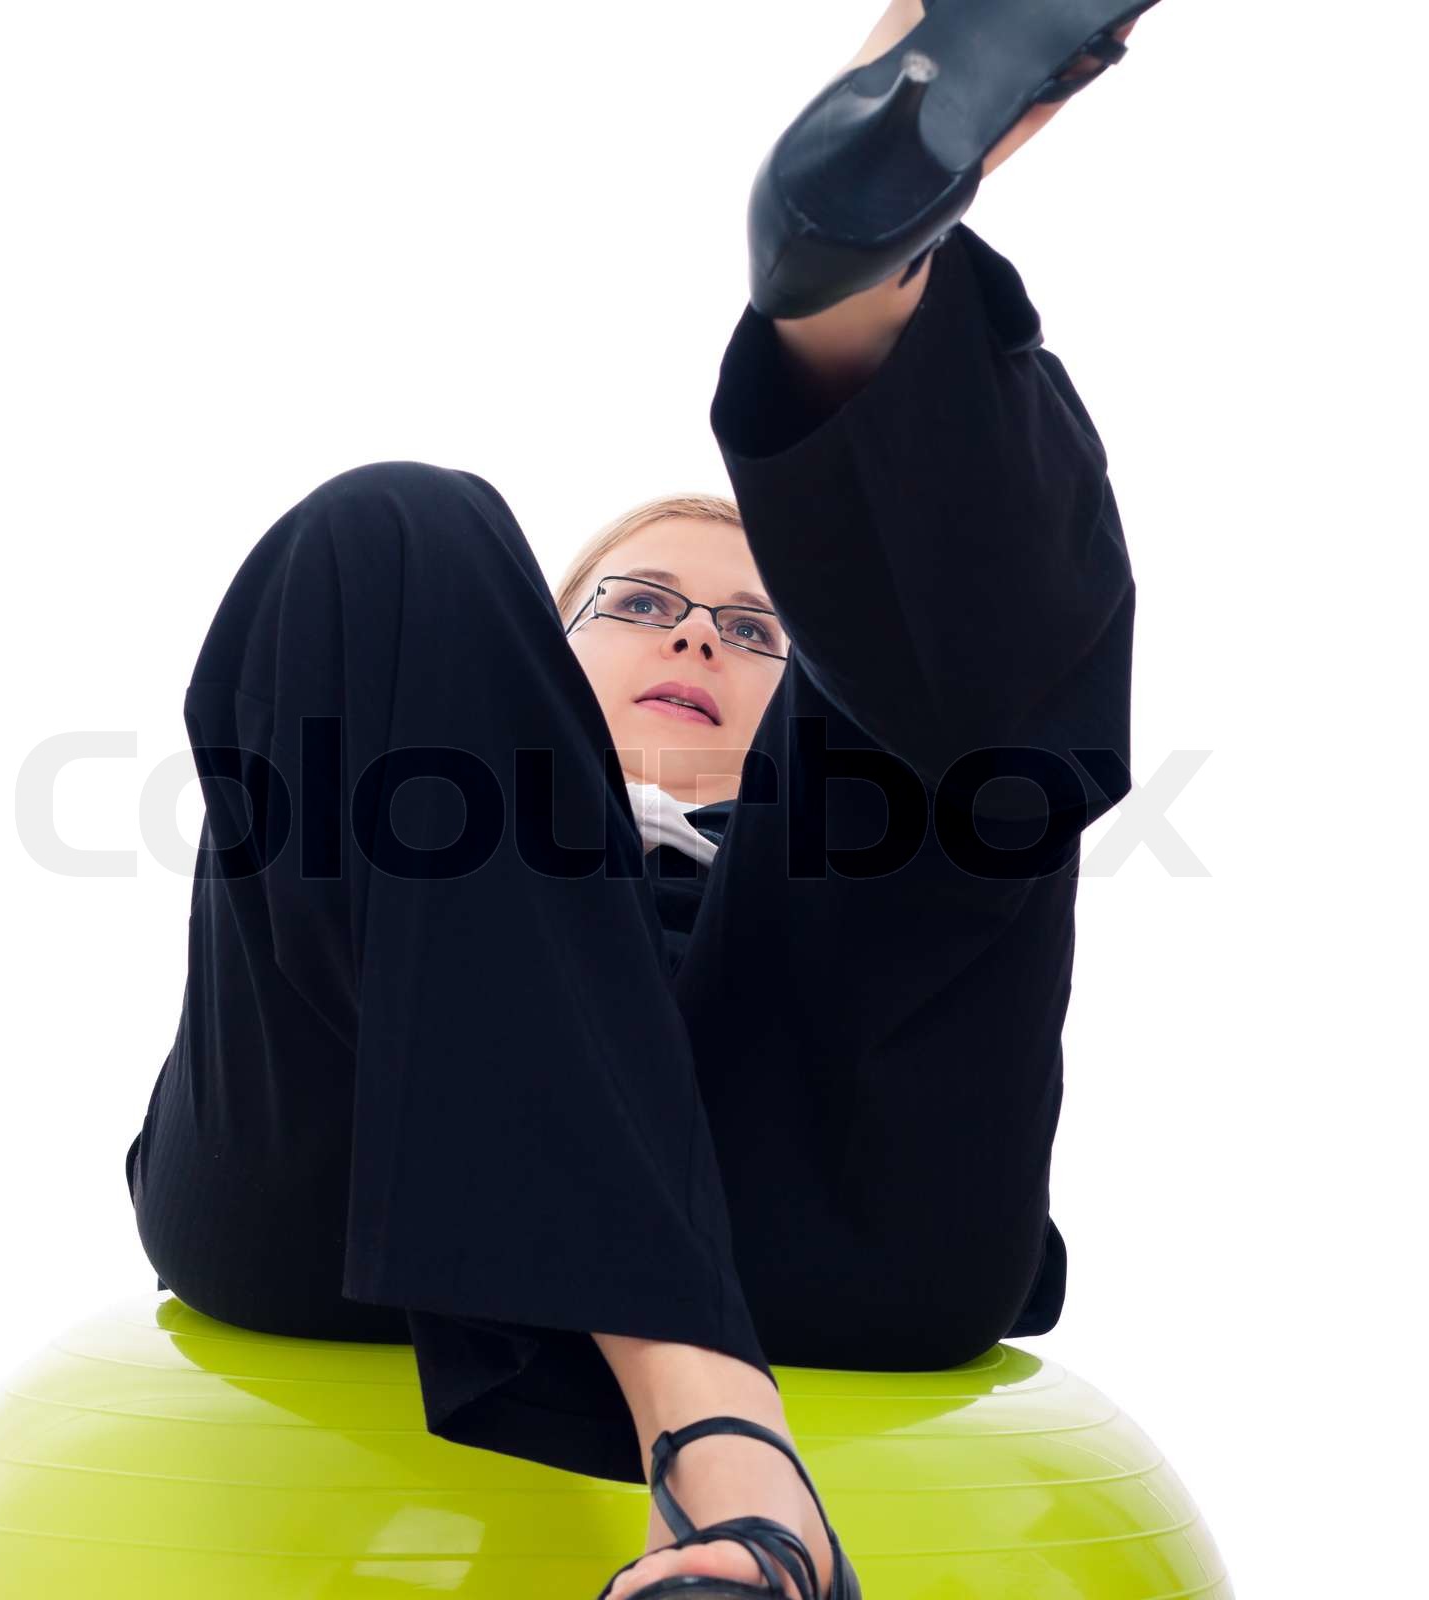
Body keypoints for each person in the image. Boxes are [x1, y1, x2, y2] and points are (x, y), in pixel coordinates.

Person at [124, 4, 1148, 1596]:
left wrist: (832, 671)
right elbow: (405, 698)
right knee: (391, 530)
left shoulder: (812, 827)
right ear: (534, 656)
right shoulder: (454, 701)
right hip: (348, 1182)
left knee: (912, 746)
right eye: (643, 604)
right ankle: (720, 1437)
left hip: (815, 1194)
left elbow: (914, 751)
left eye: (753, 628)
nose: (696, 637)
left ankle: (861, 278)